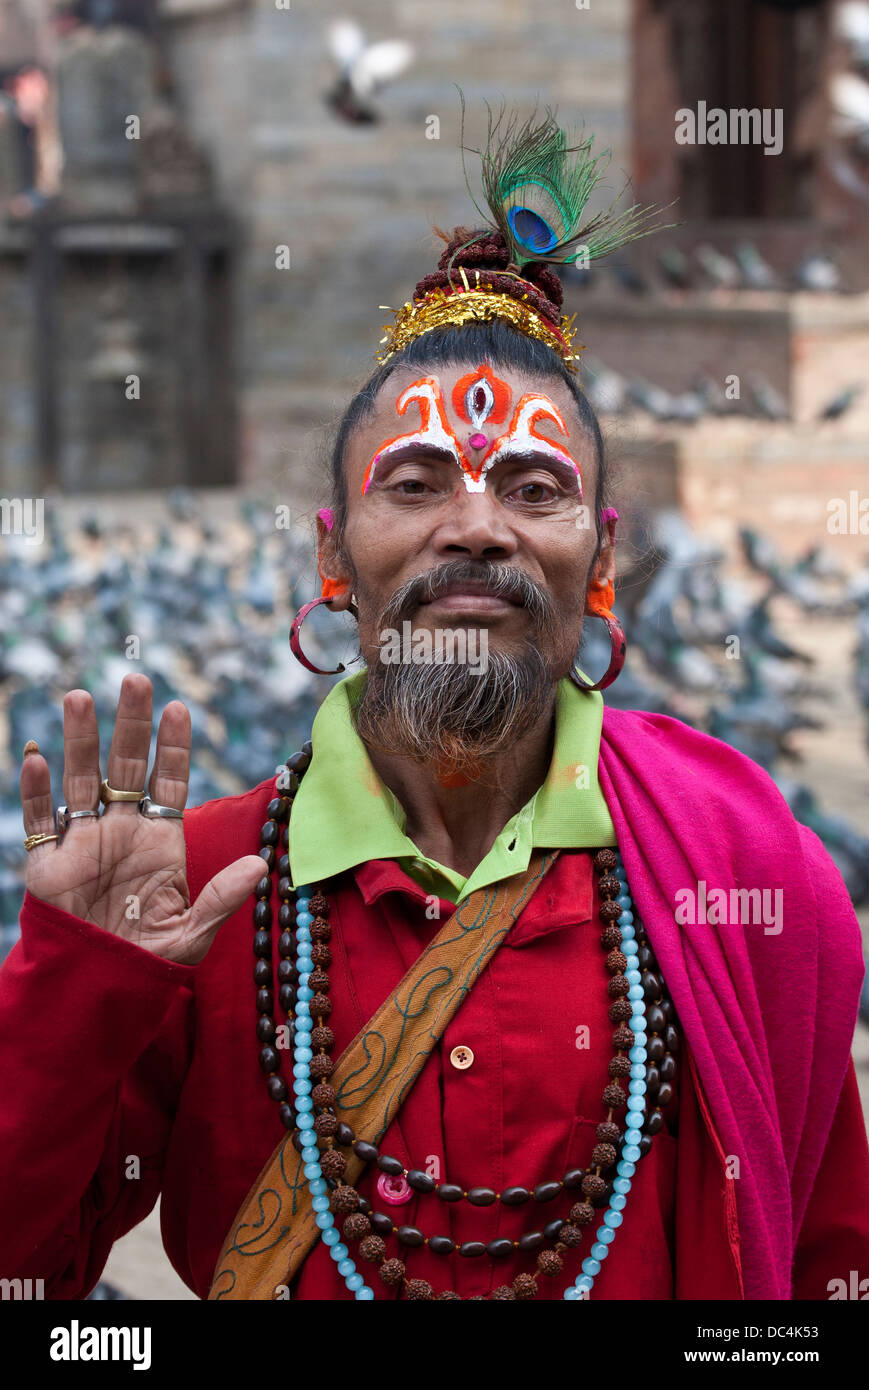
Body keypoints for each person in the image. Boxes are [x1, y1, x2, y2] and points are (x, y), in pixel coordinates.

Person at [2, 108, 868, 1303]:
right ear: (334, 561)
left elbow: (829, 1263)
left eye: (533, 486)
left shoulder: (734, 859)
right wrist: (76, 988)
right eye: (412, 485)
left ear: (598, 560)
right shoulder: (197, 895)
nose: (474, 524)